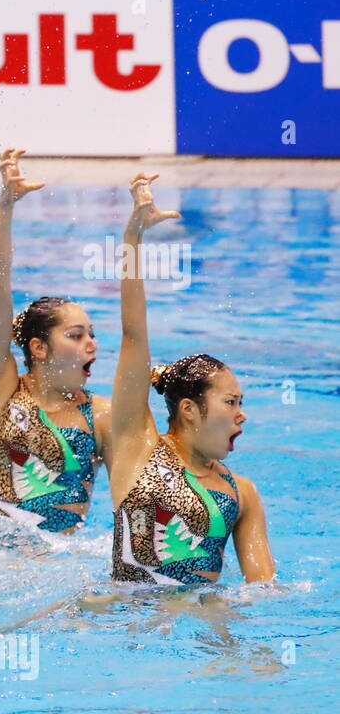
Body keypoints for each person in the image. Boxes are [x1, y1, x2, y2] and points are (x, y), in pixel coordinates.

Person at [109, 174, 274, 585]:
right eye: (230, 402)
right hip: (128, 620)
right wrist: (133, 237)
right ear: (189, 410)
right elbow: (133, 336)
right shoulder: (136, 448)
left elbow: (265, 590)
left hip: (199, 623)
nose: (242, 415)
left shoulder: (242, 493)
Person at [0, 149, 110, 533]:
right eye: (75, 335)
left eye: (92, 335)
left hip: (62, 564)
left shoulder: (101, 417)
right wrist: (5, 208)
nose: (91, 344)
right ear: (38, 348)